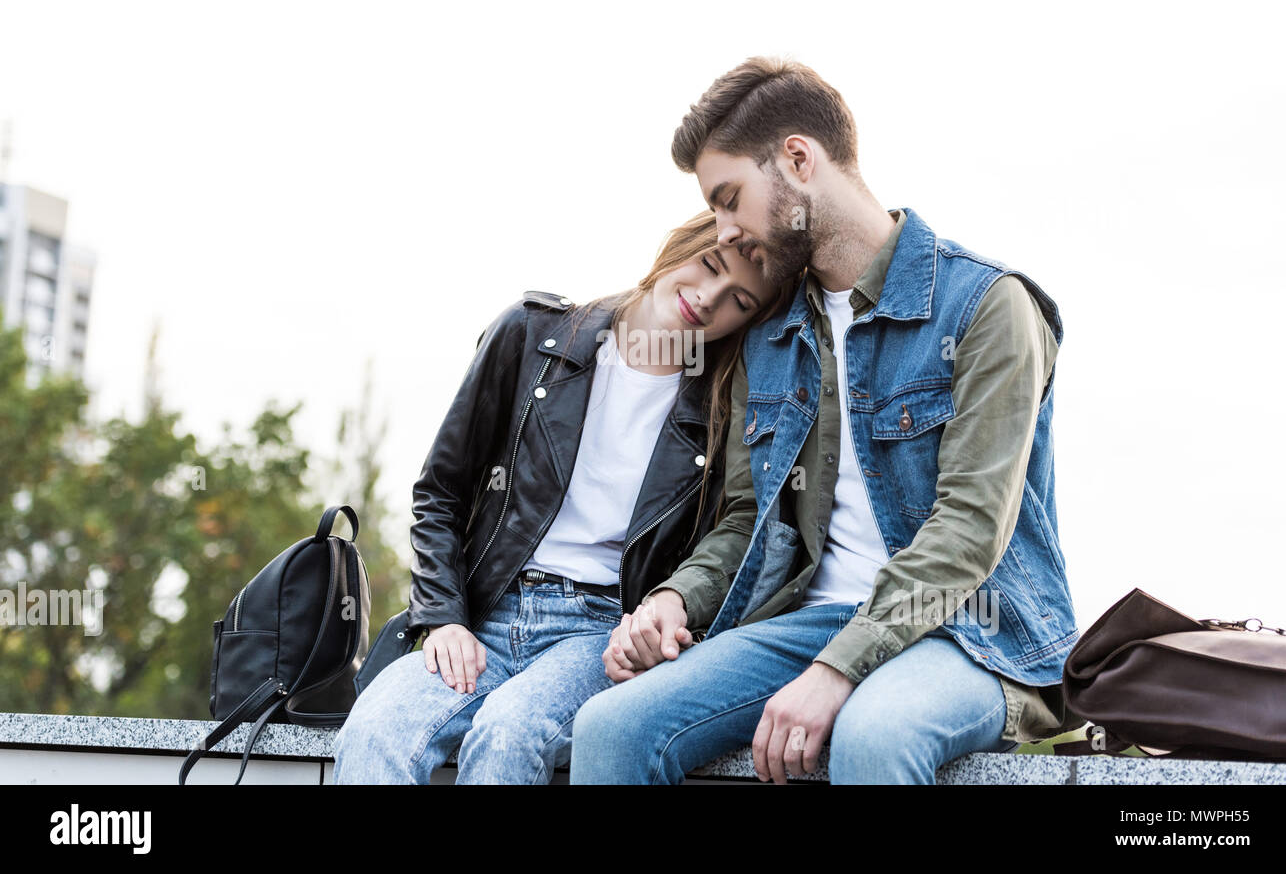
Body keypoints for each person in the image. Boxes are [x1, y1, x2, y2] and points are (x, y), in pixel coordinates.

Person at [570, 56, 1087, 785]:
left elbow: (968, 532)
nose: (723, 230)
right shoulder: (774, 334)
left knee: (873, 736)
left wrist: (838, 669)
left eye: (729, 197)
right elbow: (750, 513)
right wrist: (673, 597)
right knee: (610, 727)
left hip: (973, 629)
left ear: (798, 160)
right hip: (809, 623)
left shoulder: (986, 307)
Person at [332, 209, 793, 784]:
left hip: (598, 632)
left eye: (738, 302)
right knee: (374, 732)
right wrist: (442, 617)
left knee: (507, 736)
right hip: (484, 616)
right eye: (709, 266)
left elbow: (740, 532)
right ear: (682, 245)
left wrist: (663, 619)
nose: (707, 298)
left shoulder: (722, 408)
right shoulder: (531, 336)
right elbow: (441, 490)